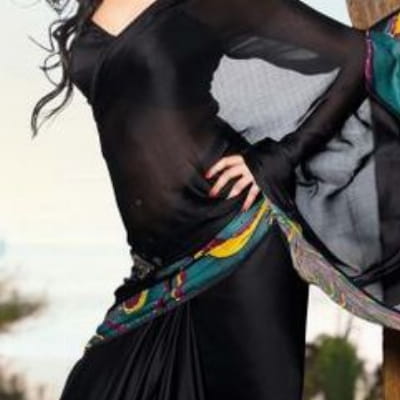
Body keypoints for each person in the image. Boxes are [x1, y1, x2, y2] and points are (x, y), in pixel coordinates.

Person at [30, 0, 400, 399]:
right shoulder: (95, 7)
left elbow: (355, 56)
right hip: (156, 264)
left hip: (237, 237)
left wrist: (280, 158)